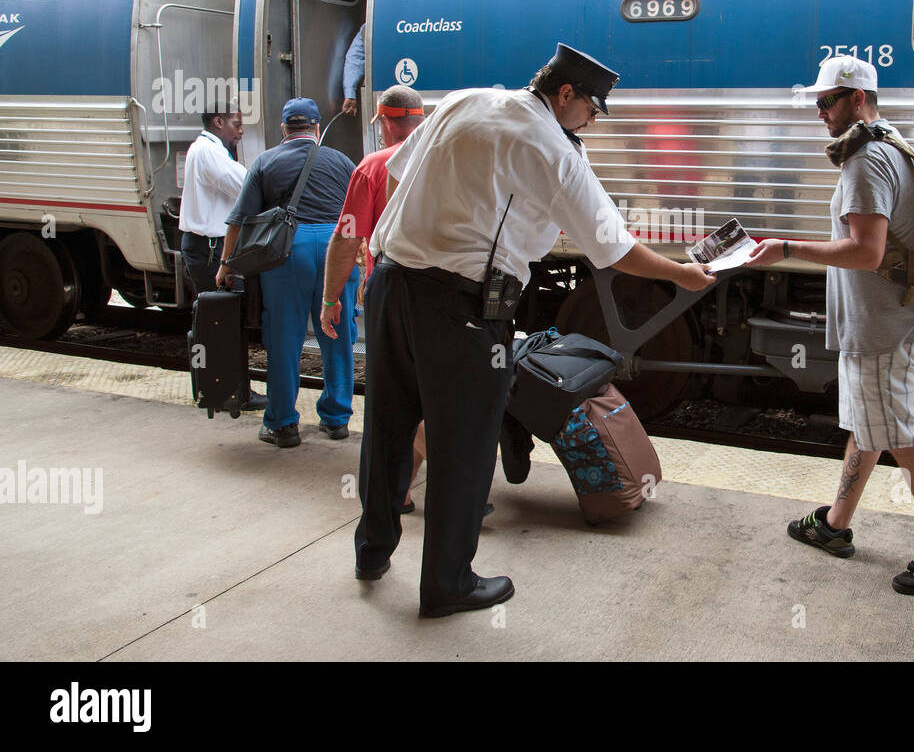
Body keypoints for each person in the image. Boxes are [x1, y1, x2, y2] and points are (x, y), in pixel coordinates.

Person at [353, 43, 714, 618]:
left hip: (390, 283)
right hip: (461, 307)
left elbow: (400, 170)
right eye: (592, 109)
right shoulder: (552, 146)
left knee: (390, 424)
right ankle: (447, 583)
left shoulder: (463, 100)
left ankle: (372, 552)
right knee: (464, 443)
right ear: (565, 94)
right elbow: (614, 247)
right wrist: (682, 276)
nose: (593, 121)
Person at [747, 55, 914, 594]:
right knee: (871, 425)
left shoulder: (865, 159)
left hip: (882, 325)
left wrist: (783, 248)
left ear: (857, 99)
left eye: (828, 101)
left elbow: (866, 252)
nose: (820, 112)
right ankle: (835, 525)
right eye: (818, 102)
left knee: (900, 434)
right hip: (891, 317)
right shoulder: (891, 141)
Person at [217, 99, 360, 448]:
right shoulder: (342, 161)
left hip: (286, 252)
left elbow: (239, 220)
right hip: (335, 249)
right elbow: (360, 215)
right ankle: (336, 418)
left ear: (284, 130)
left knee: (284, 340)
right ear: (315, 128)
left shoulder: (265, 161)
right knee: (338, 335)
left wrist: (226, 264)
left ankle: (283, 424)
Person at [319, 84, 430, 512]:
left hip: (391, 291)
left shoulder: (373, 166)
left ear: (386, 121)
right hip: (444, 292)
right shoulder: (438, 158)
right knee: (425, 391)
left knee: (394, 400)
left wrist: (331, 299)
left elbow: (347, 240)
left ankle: (453, 489)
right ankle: (403, 487)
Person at [178, 107, 266, 411]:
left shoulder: (203, 148)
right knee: (223, 323)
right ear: (218, 122)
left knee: (213, 321)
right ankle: (232, 392)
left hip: (204, 245)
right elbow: (247, 186)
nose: (240, 131)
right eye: (236, 124)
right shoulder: (209, 153)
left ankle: (219, 389)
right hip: (211, 248)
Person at [341, 25, 365, 117]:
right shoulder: (369, 26)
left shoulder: (373, 22)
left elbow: (355, 58)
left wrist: (350, 93)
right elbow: (355, 58)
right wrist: (350, 93)